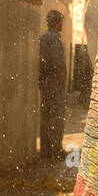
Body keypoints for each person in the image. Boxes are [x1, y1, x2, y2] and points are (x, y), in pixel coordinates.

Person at [39, 10, 67, 160]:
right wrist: (63, 82)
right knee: (56, 116)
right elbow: (58, 64)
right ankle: (56, 150)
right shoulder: (55, 38)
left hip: (44, 82)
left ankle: (46, 150)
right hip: (54, 83)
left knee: (46, 116)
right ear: (57, 23)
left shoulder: (43, 38)